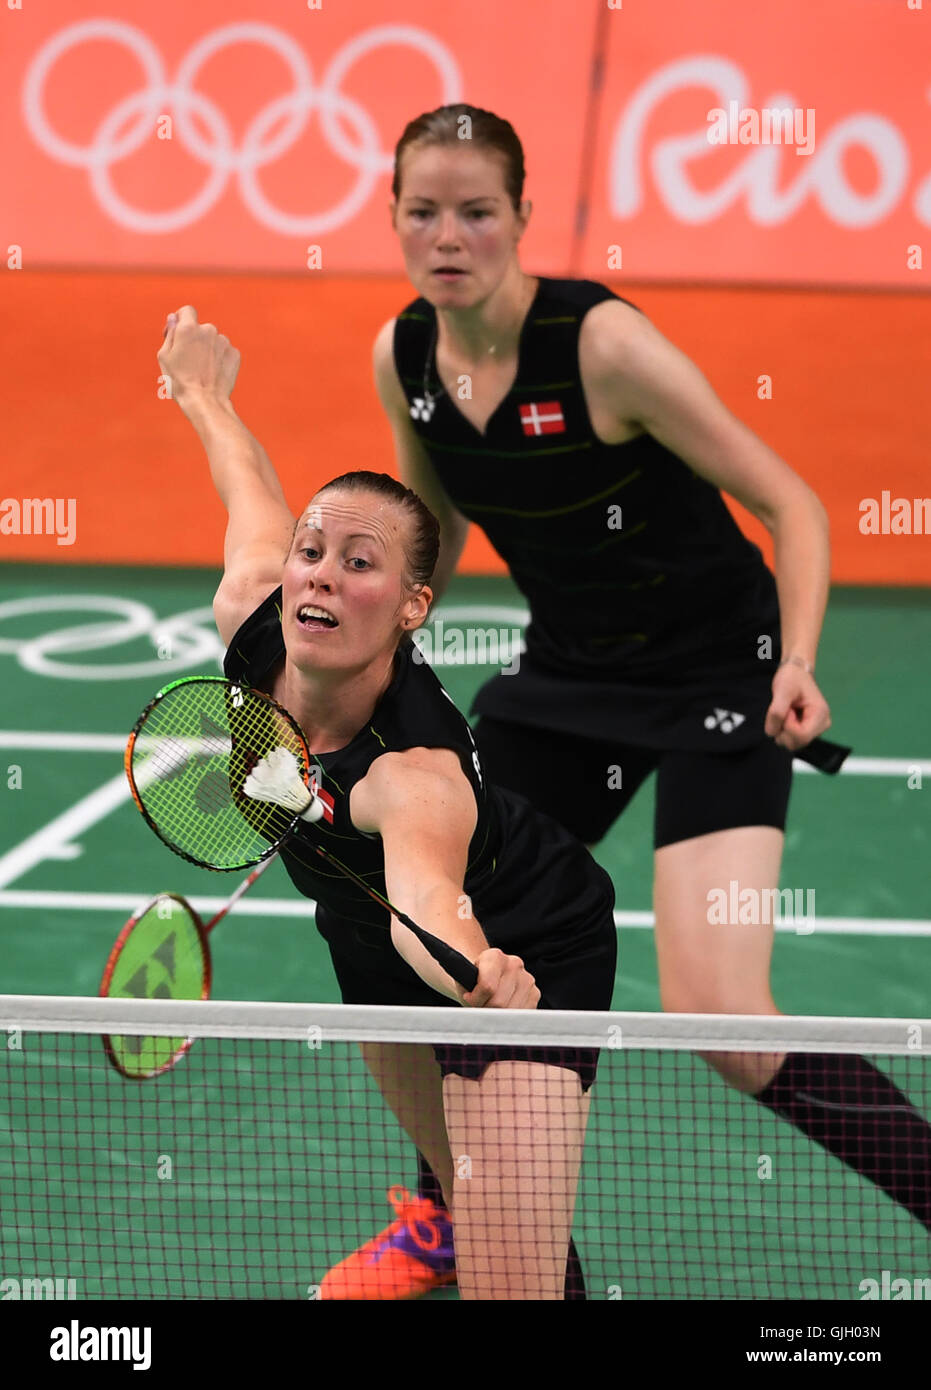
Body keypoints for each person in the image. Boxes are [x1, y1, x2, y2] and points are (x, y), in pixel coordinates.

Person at [321, 102, 931, 1298]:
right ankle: (463, 1220)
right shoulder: (404, 355)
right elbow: (424, 524)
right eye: (422, 212)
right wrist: (376, 642)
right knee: (422, 938)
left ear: (523, 218)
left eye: (476, 212)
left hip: (719, 678)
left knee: (721, 1016)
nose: (448, 236)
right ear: (391, 219)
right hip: (566, 681)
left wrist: (795, 660)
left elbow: (793, 501)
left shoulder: (602, 347)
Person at [156, 304, 618, 1301]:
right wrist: (202, 390)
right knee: (468, 1201)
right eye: (312, 551)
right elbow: (249, 485)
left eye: (358, 563)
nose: (317, 574)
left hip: (524, 940)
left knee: (515, 1285)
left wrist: (477, 972)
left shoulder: (413, 774)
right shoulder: (254, 616)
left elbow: (425, 906)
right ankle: (449, 1225)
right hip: (361, 935)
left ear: (414, 606)